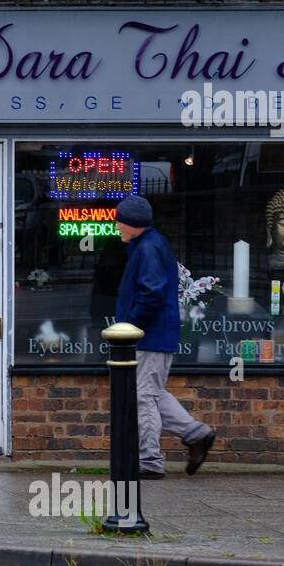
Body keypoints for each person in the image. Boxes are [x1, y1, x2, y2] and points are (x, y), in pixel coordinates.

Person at [114, 195, 216, 477]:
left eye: (120, 221)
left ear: (133, 223)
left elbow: (151, 292)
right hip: (155, 335)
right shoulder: (148, 245)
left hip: (149, 336)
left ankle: (149, 461)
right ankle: (196, 435)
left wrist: (131, 327)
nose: (117, 226)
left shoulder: (148, 248)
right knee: (153, 393)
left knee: (143, 397)